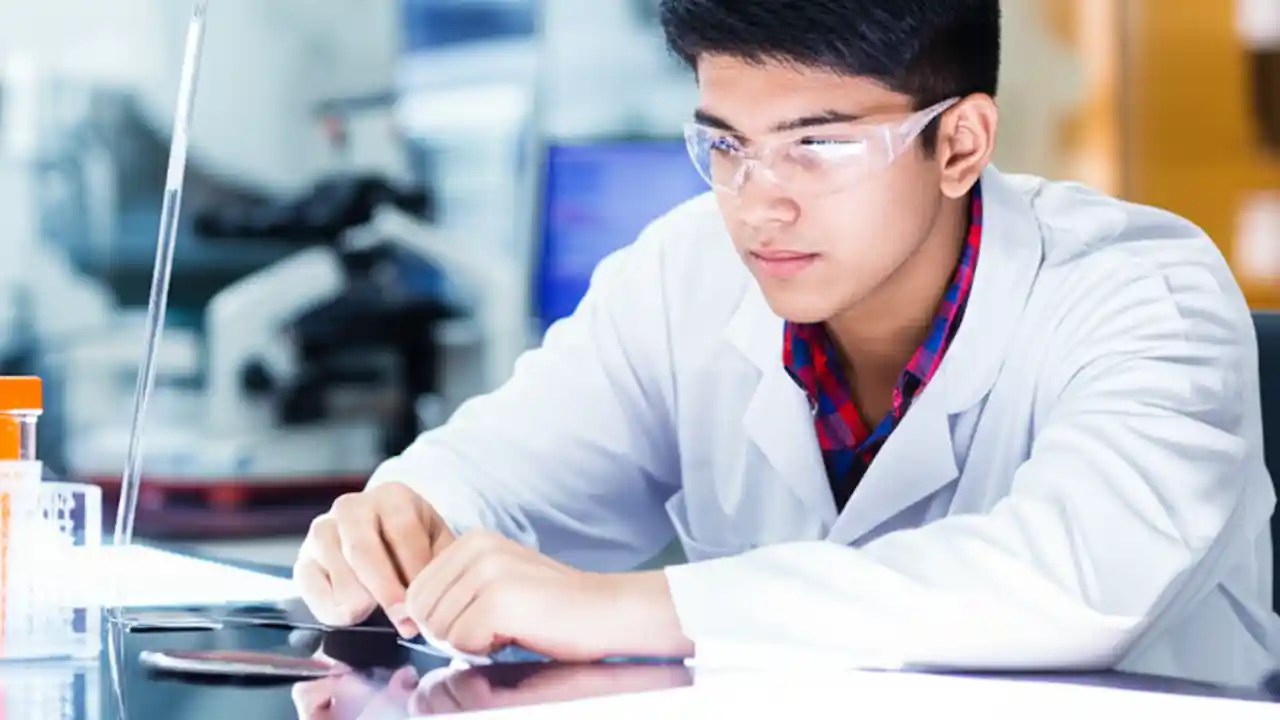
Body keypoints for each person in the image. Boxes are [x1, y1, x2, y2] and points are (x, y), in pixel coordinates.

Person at [294, 0, 1278, 684]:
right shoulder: (682, 273)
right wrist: (403, 518)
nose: (758, 203)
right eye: (724, 144)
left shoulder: (1145, 290)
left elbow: (1075, 582)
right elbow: (507, 472)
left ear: (962, 143)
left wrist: (635, 610)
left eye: (817, 143)